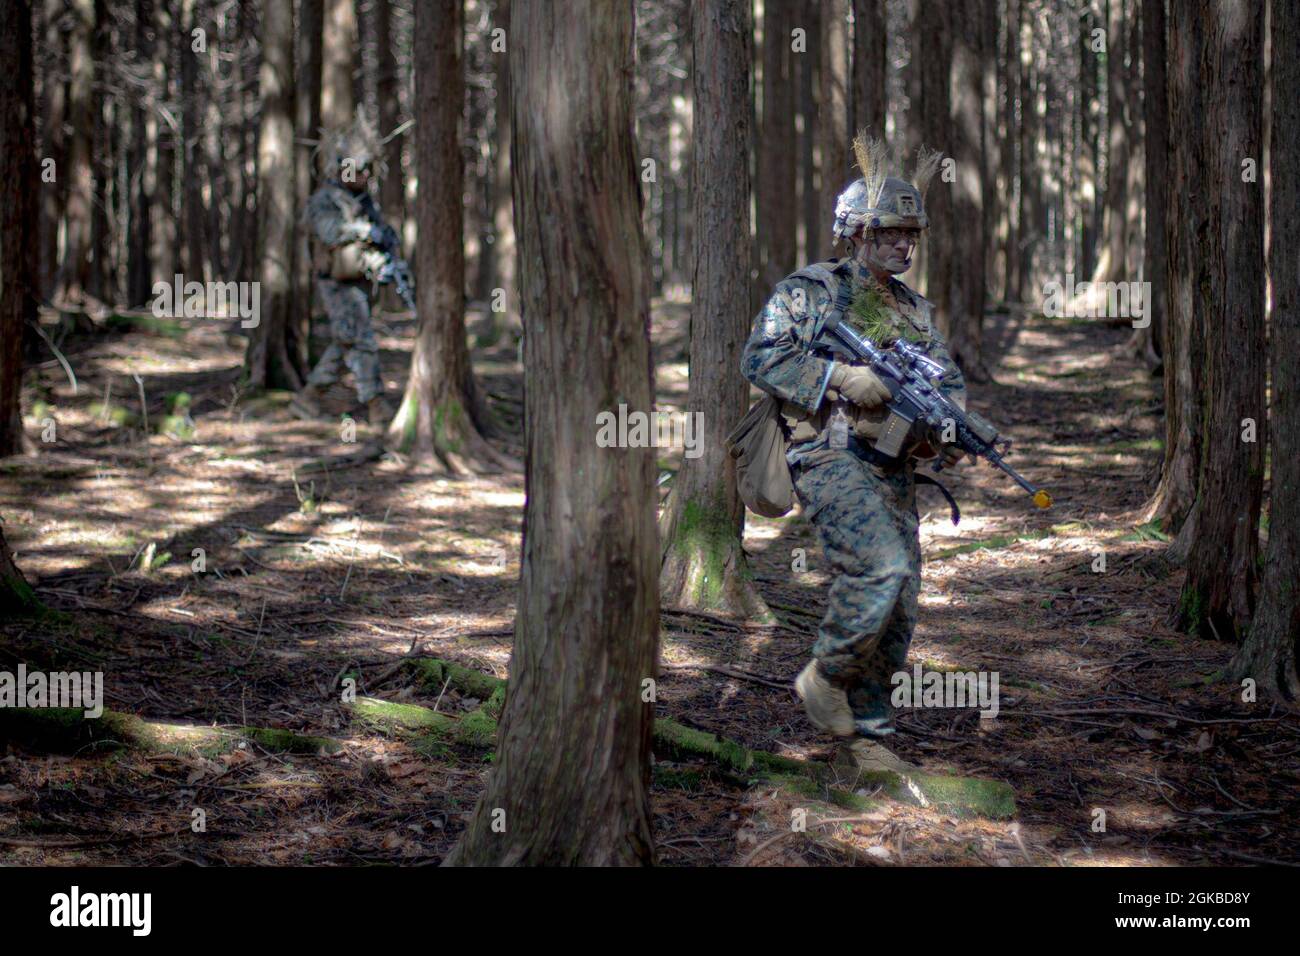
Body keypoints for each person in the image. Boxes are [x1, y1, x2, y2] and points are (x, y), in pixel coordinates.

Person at [740, 133, 968, 767]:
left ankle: (868, 736)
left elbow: (946, 386)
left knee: (902, 603)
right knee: (880, 569)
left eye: (910, 236)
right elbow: (757, 358)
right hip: (829, 454)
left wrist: (950, 432)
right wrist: (838, 378)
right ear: (857, 232)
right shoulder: (809, 292)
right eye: (891, 233)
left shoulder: (916, 313)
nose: (904, 245)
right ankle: (824, 676)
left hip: (894, 466)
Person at [291, 112, 400, 423]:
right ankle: (376, 403)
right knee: (360, 337)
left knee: (346, 338)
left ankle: (309, 396)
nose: (362, 175)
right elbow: (331, 232)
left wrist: (385, 250)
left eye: (366, 169)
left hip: (360, 280)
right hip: (336, 282)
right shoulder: (325, 200)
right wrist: (366, 232)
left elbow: (379, 235)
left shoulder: (364, 201)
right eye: (357, 168)